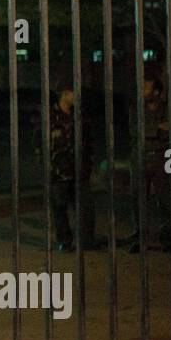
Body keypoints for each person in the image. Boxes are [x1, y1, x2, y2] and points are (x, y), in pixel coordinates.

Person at [45, 86, 99, 252]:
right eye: (74, 92)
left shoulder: (80, 115)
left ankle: (87, 241)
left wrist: (89, 163)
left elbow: (89, 139)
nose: (77, 96)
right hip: (58, 172)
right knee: (60, 209)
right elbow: (39, 142)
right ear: (64, 94)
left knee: (86, 208)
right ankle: (65, 241)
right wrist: (49, 164)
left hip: (80, 170)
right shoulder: (49, 117)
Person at [129, 75, 171, 254]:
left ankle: (168, 238)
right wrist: (158, 128)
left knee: (166, 199)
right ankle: (141, 238)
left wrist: (149, 129)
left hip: (165, 156)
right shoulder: (135, 108)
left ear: (156, 91)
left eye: (146, 89)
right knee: (138, 199)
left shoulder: (167, 108)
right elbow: (134, 130)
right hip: (140, 156)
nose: (143, 92)